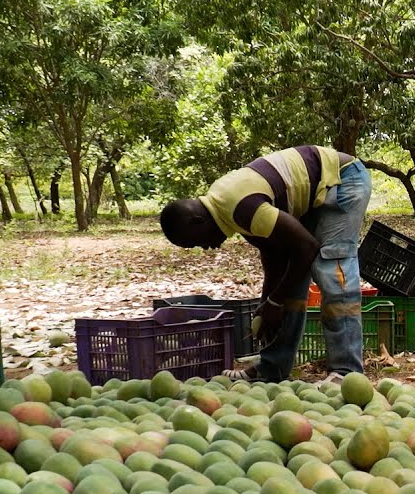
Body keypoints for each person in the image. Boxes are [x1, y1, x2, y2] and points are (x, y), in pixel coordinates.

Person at [158, 145, 373, 383]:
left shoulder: (240, 207)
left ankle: (346, 372)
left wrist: (275, 301)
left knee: (333, 268)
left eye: (197, 242)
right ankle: (272, 367)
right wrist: (268, 301)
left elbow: (307, 247)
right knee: (290, 280)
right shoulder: (222, 205)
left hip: (342, 179)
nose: (206, 248)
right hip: (315, 194)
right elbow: (274, 252)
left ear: (198, 221)